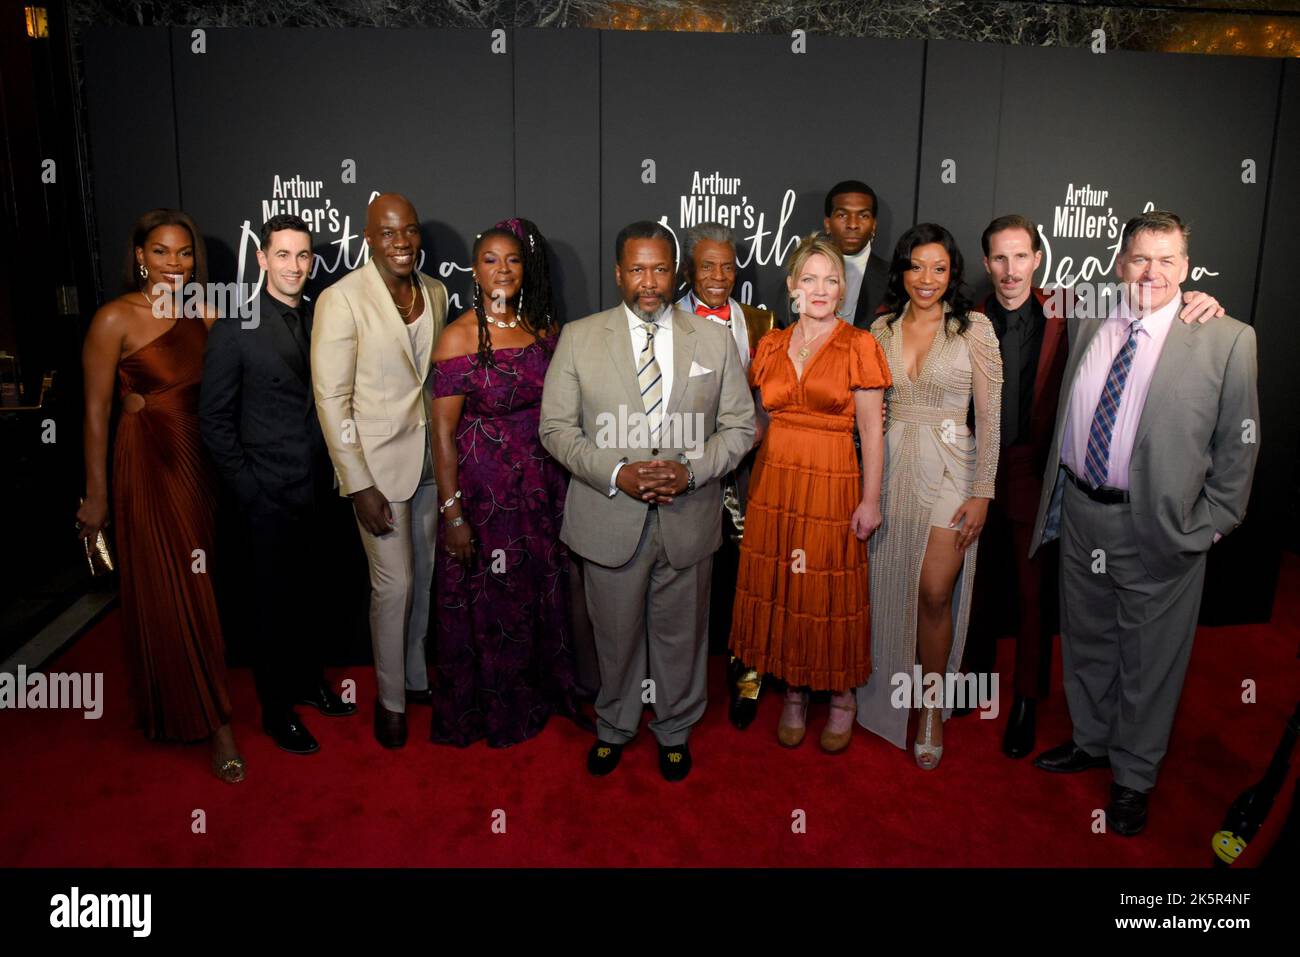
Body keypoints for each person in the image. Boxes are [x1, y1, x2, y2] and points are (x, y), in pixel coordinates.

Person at [1029, 210, 1259, 836]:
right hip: (1080, 511)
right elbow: (1017, 291)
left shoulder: (1227, 339)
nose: (1151, 272)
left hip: (1158, 526)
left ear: (1187, 268)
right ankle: (1092, 740)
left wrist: (1208, 526)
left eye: (1167, 260)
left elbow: (1239, 447)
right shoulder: (1088, 316)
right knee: (1087, 637)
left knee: (1151, 659)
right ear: (1119, 263)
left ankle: (1133, 776)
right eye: (1139, 258)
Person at [963, 215, 1225, 759]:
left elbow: (1155, 292)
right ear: (986, 264)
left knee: (1034, 595)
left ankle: (1027, 702)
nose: (1011, 270)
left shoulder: (1072, 309)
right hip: (969, 471)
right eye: (999, 259)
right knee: (976, 582)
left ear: (1038, 259)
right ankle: (973, 684)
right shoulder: (966, 317)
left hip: (1035, 474)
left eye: (1021, 257)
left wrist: (1203, 301)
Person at [539, 220, 754, 781]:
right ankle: (614, 724)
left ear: (674, 271)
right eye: (637, 269)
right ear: (618, 273)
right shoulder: (580, 337)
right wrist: (616, 472)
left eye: (660, 268)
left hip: (690, 515)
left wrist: (690, 471)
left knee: (682, 632)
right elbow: (557, 430)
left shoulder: (713, 339)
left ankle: (676, 727)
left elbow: (739, 426)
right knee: (614, 633)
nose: (650, 282)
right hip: (609, 516)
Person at [76, 208, 244, 782]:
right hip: (148, 461)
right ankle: (217, 722)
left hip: (203, 461)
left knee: (200, 581)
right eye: (161, 252)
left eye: (184, 253)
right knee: (176, 585)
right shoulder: (113, 319)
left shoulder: (208, 309)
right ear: (140, 255)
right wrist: (95, 499)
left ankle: (170, 700)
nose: (174, 264)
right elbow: (95, 414)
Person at [199, 213, 356, 757]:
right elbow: (214, 420)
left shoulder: (322, 316)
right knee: (271, 608)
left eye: (303, 256)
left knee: (313, 597)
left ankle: (310, 684)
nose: (295, 266)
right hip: (265, 494)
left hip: (318, 487)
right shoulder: (235, 325)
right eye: (283, 255)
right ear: (262, 259)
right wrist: (248, 489)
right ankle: (276, 711)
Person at [729, 234, 890, 753]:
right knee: (784, 584)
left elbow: (872, 431)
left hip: (832, 479)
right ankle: (795, 692)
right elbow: (756, 422)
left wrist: (871, 499)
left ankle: (841, 695)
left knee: (826, 586)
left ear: (843, 289)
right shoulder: (772, 344)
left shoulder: (859, 344)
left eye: (831, 280)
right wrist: (705, 459)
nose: (820, 289)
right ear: (793, 286)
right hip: (775, 480)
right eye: (810, 279)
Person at [856, 223, 1003, 769]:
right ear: (901, 270)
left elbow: (988, 418)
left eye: (939, 268)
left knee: (935, 591)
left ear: (953, 274)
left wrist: (983, 492)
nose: (927, 279)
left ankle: (935, 705)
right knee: (889, 587)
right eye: (917, 266)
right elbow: (866, 415)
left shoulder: (975, 329)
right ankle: (884, 697)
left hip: (953, 467)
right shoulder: (880, 330)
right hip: (891, 467)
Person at [427, 218, 576, 746]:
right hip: (486, 495)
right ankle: (498, 707)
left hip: (543, 486)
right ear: (474, 268)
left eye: (512, 259)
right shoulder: (457, 337)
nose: (502, 269)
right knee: (497, 597)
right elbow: (441, 435)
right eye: (491, 259)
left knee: (543, 589)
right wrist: (453, 514)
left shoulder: (542, 329)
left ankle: (548, 692)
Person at [311, 193, 449, 749]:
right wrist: (358, 482)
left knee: (425, 580)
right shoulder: (341, 300)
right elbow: (331, 398)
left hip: (431, 466)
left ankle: (415, 678)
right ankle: (390, 700)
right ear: (369, 238)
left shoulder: (435, 292)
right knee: (394, 586)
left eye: (410, 231)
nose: (401, 242)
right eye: (389, 232)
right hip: (376, 471)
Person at [674, 221, 776, 730]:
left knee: (747, 578)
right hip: (688, 470)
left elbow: (772, 397)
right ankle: (680, 686)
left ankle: (748, 676)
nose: (719, 276)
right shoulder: (666, 319)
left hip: (747, 473)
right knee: (685, 580)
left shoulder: (762, 322)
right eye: (708, 265)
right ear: (689, 270)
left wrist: (759, 428)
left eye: (728, 265)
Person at [822, 180, 890, 327]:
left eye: (863, 216)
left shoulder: (893, 279)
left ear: (873, 226)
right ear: (827, 224)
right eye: (842, 215)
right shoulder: (803, 275)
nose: (853, 225)